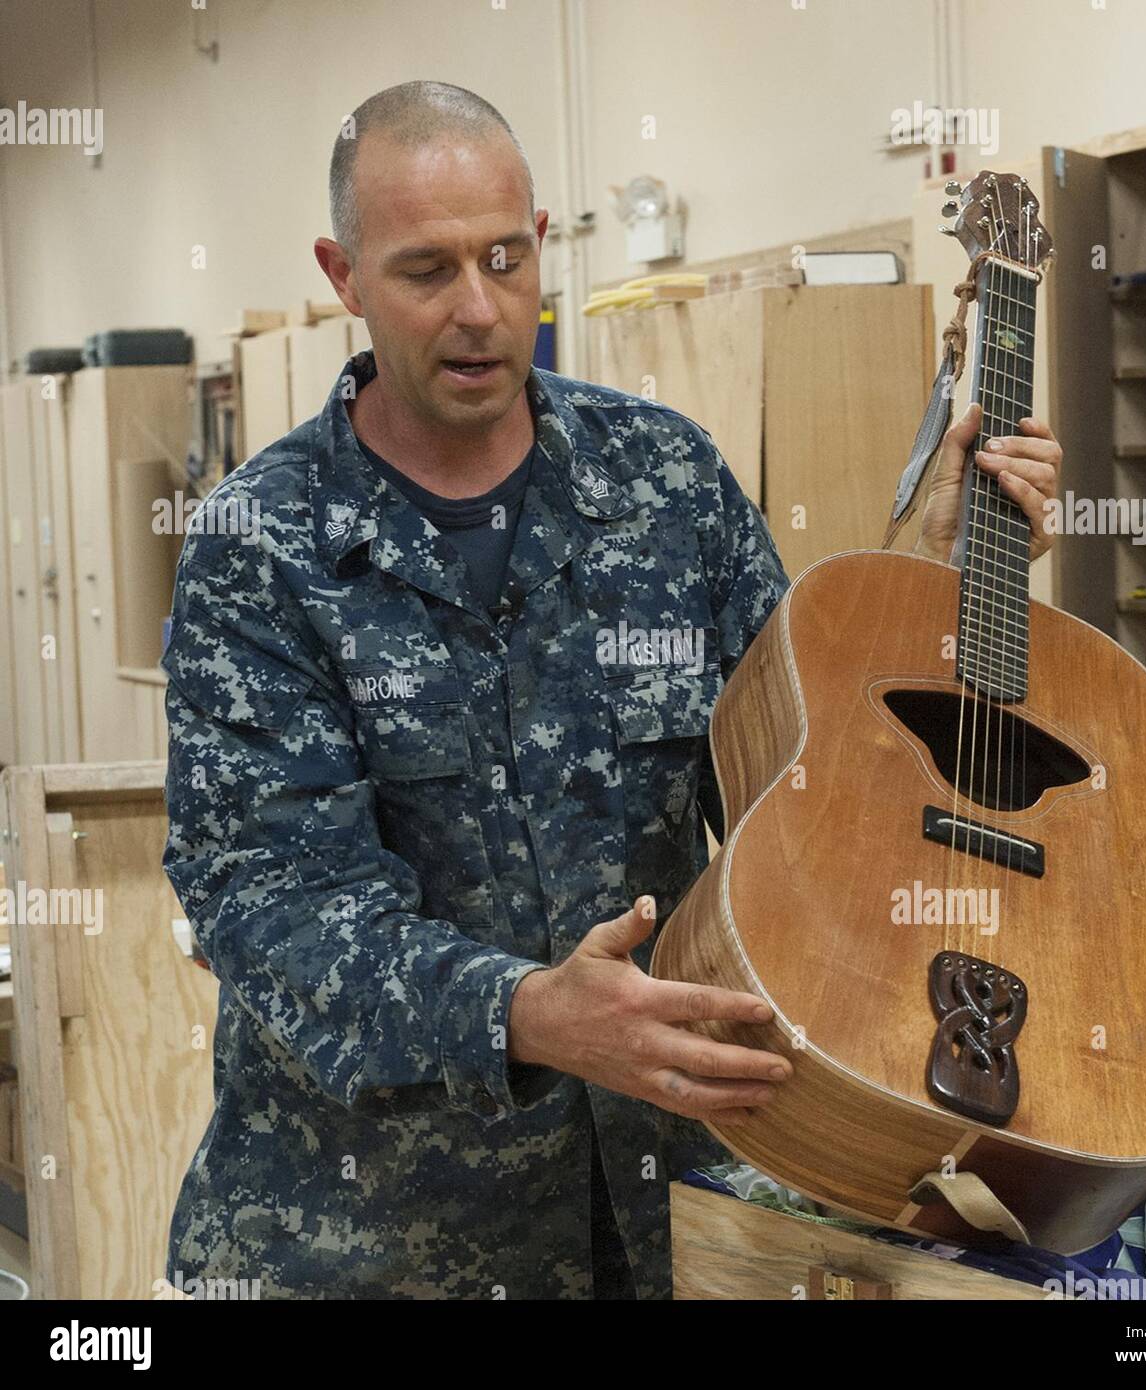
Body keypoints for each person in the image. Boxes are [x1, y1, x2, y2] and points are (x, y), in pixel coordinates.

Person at [161, 80, 1061, 1300]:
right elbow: (271, 912)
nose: (480, 311)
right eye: (425, 270)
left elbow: (815, 760)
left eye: (501, 258)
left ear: (541, 245)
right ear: (343, 275)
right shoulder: (260, 548)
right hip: (370, 1241)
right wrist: (530, 1012)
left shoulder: (666, 481)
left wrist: (932, 549)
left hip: (660, 1218)